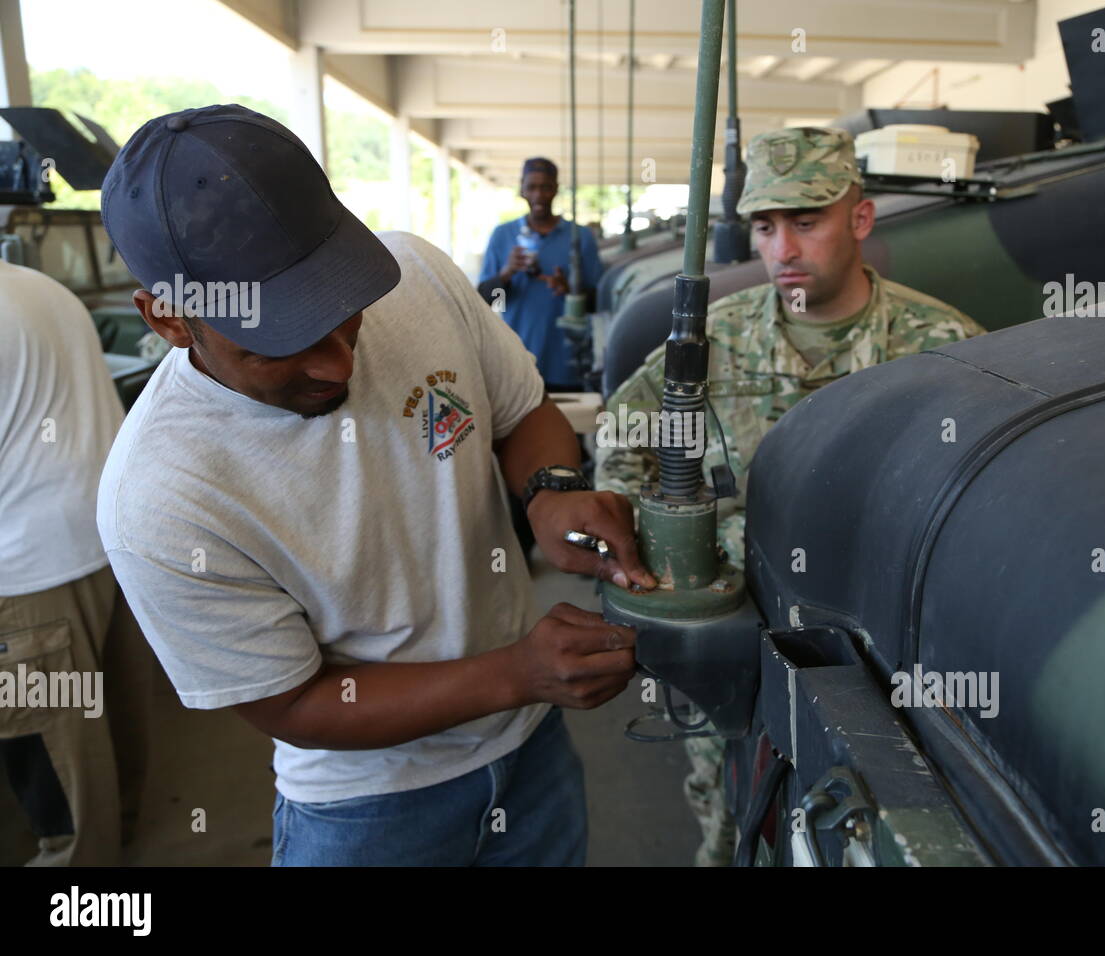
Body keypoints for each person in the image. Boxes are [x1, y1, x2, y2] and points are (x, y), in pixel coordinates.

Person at [96, 104, 655, 867]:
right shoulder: (161, 497)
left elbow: (522, 410)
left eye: (345, 312)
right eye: (281, 340)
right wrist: (517, 672)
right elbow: (295, 702)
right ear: (167, 319)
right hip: (367, 813)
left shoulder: (417, 276)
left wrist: (551, 491)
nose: (338, 364)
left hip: (533, 756)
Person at [595, 126, 985, 866]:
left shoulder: (940, 347)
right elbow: (624, 432)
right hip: (737, 637)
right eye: (765, 227)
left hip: (876, 661)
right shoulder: (715, 340)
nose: (782, 250)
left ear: (860, 220)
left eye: (806, 222)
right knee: (730, 816)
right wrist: (645, 531)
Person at [0, 257, 152, 866]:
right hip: (102, 536)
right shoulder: (42, 287)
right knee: (110, 714)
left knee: (51, 748)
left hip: (25, 566)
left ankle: (74, 872)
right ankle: (120, 832)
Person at [477, 158, 604, 391]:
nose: (539, 195)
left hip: (567, 363)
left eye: (546, 187)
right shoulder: (503, 235)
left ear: (556, 189)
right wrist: (506, 273)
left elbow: (600, 303)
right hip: (518, 361)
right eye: (532, 187)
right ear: (522, 189)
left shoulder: (580, 236)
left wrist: (571, 290)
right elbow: (487, 301)